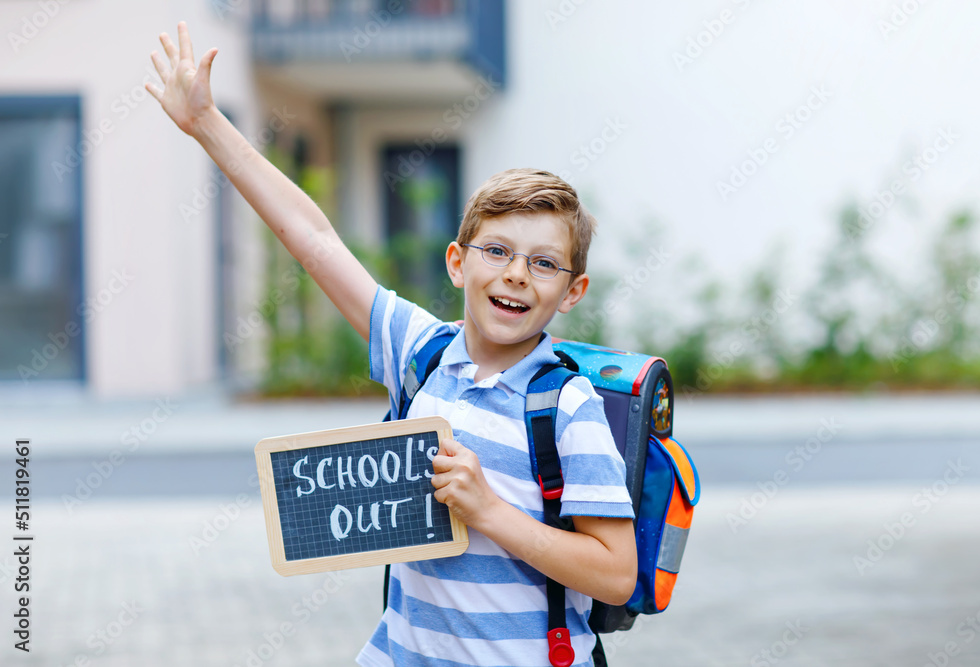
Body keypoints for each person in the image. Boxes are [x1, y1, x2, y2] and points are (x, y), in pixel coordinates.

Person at [147, 22, 637, 666]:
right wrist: (207, 122)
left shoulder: (566, 407)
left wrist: (487, 509)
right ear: (458, 263)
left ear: (572, 293)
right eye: (497, 251)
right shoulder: (422, 352)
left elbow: (614, 575)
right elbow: (316, 242)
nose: (517, 273)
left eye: (545, 264)